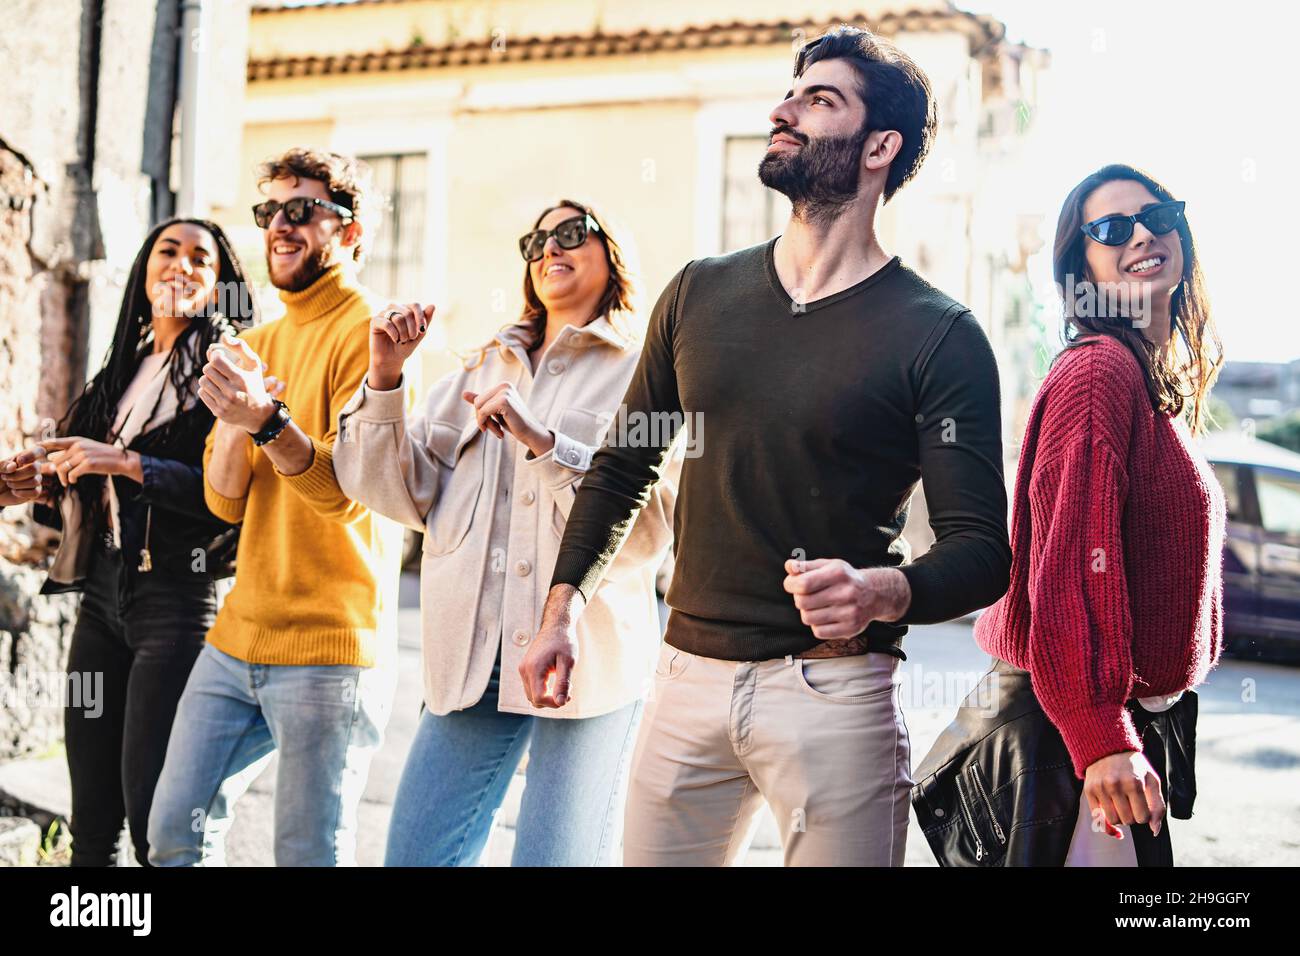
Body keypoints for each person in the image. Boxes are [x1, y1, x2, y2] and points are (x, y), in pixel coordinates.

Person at [520, 27, 1011, 866]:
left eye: (821, 99)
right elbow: (624, 466)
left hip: (835, 694)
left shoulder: (939, 335)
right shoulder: (700, 292)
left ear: (879, 147)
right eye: (792, 90)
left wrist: (879, 590)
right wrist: (560, 611)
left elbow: (982, 552)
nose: (784, 110)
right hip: (681, 681)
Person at [334, 200, 680, 866]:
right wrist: (385, 378)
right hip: (475, 658)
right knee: (415, 856)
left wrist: (544, 443)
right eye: (538, 238)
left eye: (573, 232)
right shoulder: (479, 365)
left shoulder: (644, 371)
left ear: (613, 254)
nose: (551, 246)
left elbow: (646, 536)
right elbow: (394, 493)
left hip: (588, 666)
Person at [913, 164, 1225, 867]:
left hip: (1106, 733)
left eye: (1160, 215)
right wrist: (1102, 735)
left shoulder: (1145, 377)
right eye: (1112, 228)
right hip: (1076, 739)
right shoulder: (1098, 375)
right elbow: (1071, 567)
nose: (1144, 234)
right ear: (1077, 265)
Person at [146, 148, 402, 866]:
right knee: (173, 835)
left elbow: (347, 498)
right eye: (269, 213)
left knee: (306, 855)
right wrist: (233, 422)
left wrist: (265, 420)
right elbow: (223, 504)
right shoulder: (254, 342)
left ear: (350, 233)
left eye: (303, 211)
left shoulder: (376, 336)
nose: (280, 227)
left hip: (331, 651)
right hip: (238, 637)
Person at [0, 218, 260, 866]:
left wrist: (123, 462)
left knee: (153, 818)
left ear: (220, 281)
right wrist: (27, 487)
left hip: (178, 606)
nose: (183, 265)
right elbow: (86, 483)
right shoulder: (125, 367)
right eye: (168, 251)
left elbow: (223, 498)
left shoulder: (229, 372)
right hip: (102, 599)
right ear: (145, 271)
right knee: (90, 817)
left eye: (202, 258)